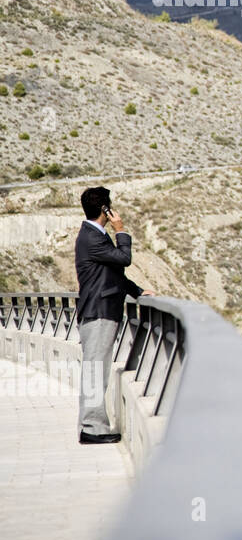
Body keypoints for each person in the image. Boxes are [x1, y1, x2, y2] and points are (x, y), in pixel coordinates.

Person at [74, 187, 153, 444]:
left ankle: (91, 425)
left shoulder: (94, 236)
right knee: (96, 371)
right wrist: (121, 229)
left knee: (96, 370)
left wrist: (139, 291)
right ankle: (92, 428)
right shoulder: (92, 237)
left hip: (100, 309)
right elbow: (124, 258)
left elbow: (115, 273)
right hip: (99, 311)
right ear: (105, 210)